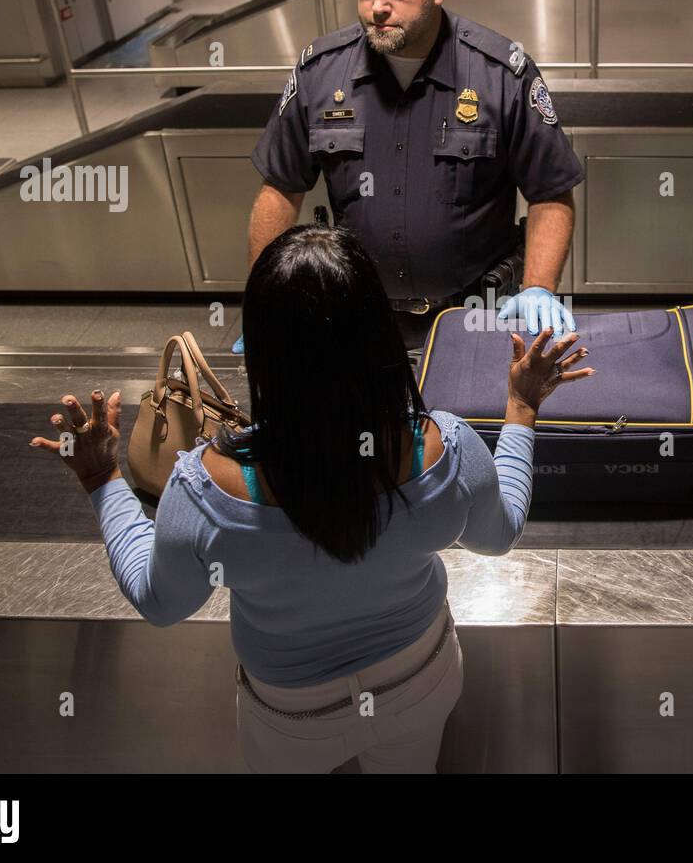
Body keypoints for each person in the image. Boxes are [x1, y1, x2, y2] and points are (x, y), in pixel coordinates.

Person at [29, 225, 595, 773]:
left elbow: (160, 602)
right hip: (418, 681)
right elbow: (501, 534)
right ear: (382, 336)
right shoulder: (444, 449)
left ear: (262, 352)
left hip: (290, 717)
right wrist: (521, 409)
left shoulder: (204, 490)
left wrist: (101, 479)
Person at [236, 0, 585, 355]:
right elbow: (280, 190)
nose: (378, 6)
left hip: (474, 316)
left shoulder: (500, 73)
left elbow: (551, 190)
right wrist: (261, 302)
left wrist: (539, 287)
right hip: (355, 315)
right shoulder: (320, 74)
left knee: (470, 425)